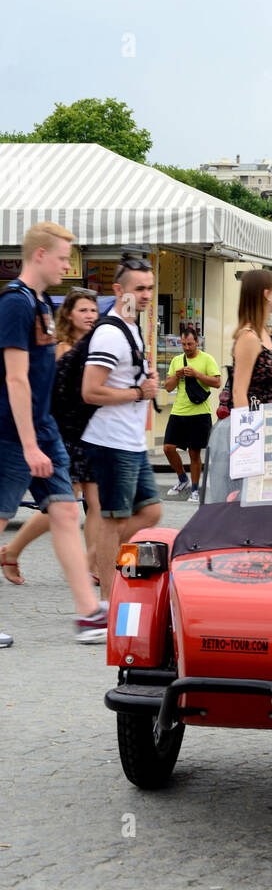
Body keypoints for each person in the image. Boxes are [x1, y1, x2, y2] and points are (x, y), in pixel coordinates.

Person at [0, 223, 106, 646]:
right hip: (11, 430)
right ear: (39, 255)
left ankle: (88, 614)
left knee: (64, 511)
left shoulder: (42, 302)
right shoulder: (15, 304)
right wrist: (29, 445)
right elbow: (15, 379)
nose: (69, 264)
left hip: (41, 427)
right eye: (63, 257)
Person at [0, 287, 102, 588]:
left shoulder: (93, 345)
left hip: (88, 432)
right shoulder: (60, 347)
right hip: (60, 432)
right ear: (68, 313)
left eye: (93, 311)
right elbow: (48, 394)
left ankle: (91, 565)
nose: (89, 316)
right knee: (63, 503)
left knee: (94, 502)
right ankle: (13, 550)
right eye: (83, 310)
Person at [81, 256, 162, 604]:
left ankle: (92, 558)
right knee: (114, 521)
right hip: (110, 441)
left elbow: (127, 381)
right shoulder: (110, 333)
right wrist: (137, 392)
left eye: (150, 288)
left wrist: (146, 382)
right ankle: (107, 606)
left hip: (130, 440)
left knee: (151, 511)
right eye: (138, 288)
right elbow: (90, 391)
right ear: (119, 290)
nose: (146, 295)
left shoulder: (131, 327)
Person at [163, 328, 221, 502]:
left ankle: (195, 490)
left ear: (197, 342)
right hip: (178, 411)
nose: (186, 347)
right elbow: (168, 387)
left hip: (199, 412)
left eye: (190, 344)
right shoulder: (176, 360)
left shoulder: (207, 359)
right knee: (168, 448)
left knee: (194, 453)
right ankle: (182, 479)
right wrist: (177, 376)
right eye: (183, 344)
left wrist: (196, 374)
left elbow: (217, 382)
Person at [231, 270, 272, 409]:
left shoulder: (265, 334)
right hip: (256, 423)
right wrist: (248, 429)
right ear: (266, 294)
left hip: (270, 421)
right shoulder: (249, 338)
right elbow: (238, 392)